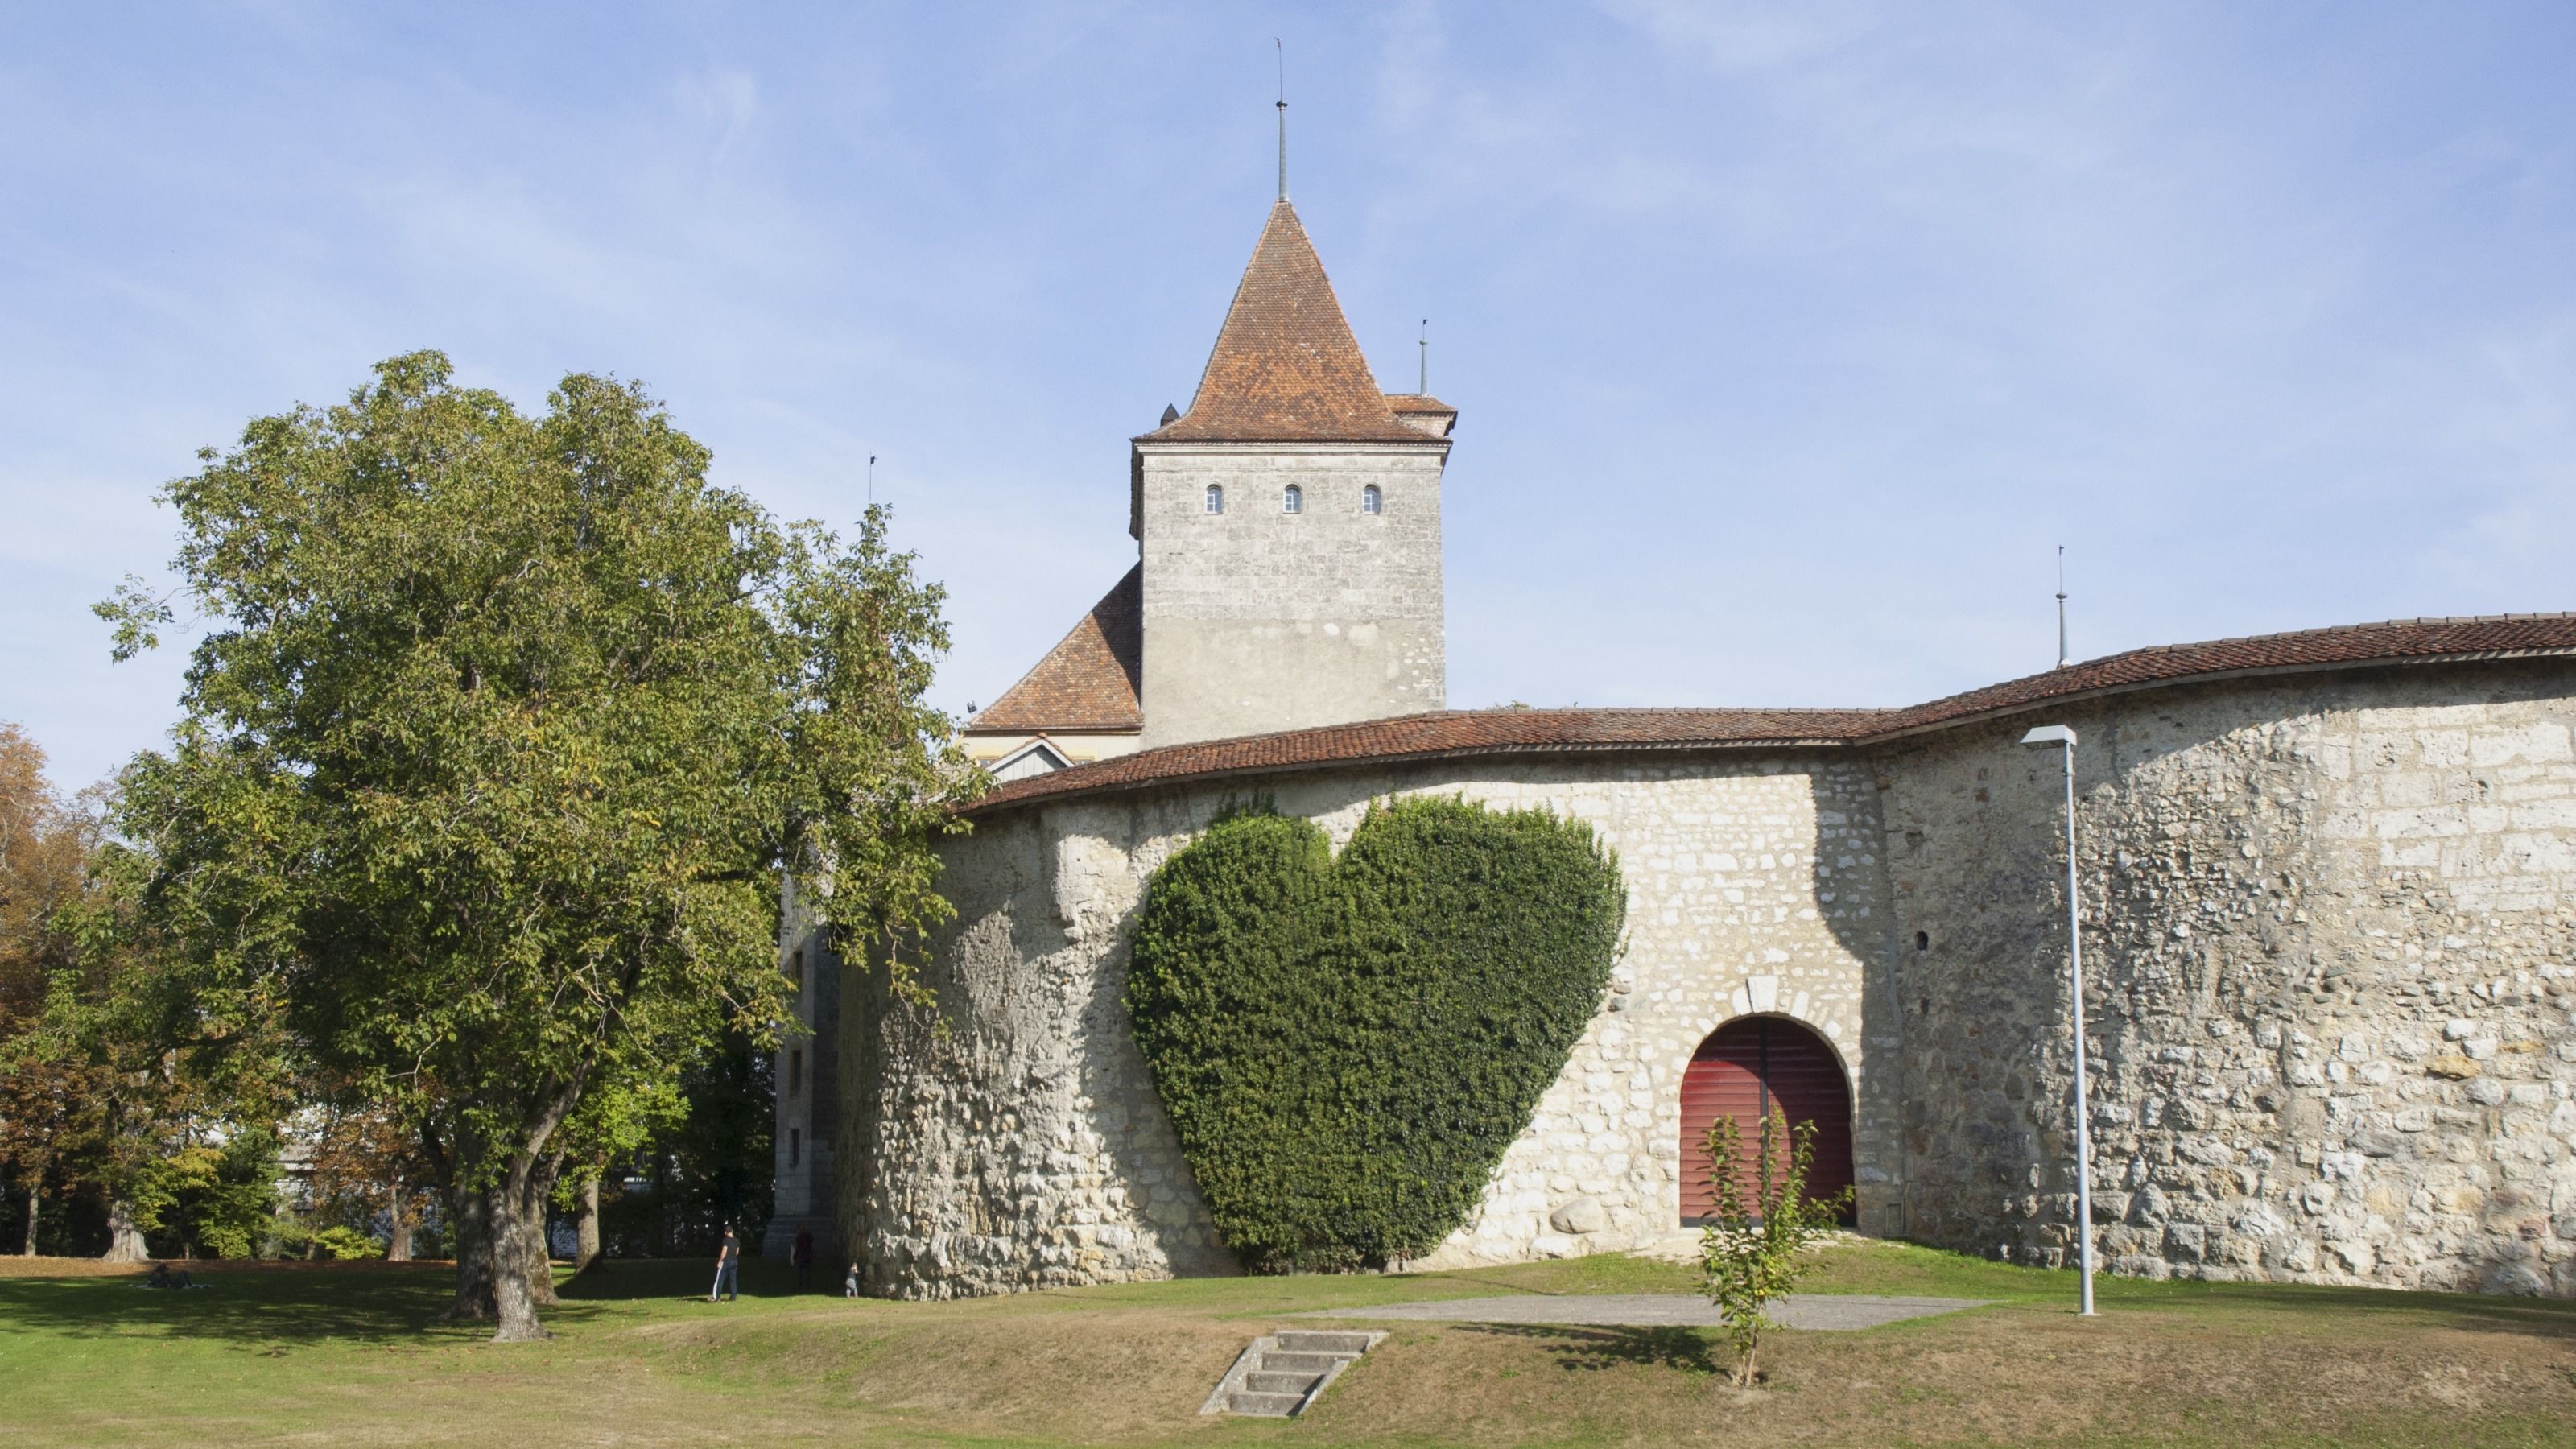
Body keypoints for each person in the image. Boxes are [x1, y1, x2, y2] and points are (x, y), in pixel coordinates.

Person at [709, 1227, 740, 1302]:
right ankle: (733, 1297)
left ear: (725, 1232)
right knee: (733, 1280)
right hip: (734, 1261)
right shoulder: (737, 1241)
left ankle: (717, 1297)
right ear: (732, 1231)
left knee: (720, 1279)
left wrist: (720, 1261)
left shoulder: (725, 1240)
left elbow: (724, 1251)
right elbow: (737, 1252)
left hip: (726, 1261)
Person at [791, 1225, 814, 1292]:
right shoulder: (809, 1237)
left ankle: (800, 1286)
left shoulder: (800, 1237)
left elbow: (798, 1248)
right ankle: (808, 1286)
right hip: (808, 1257)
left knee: (800, 1273)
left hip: (801, 1257)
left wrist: (795, 1256)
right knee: (807, 1273)